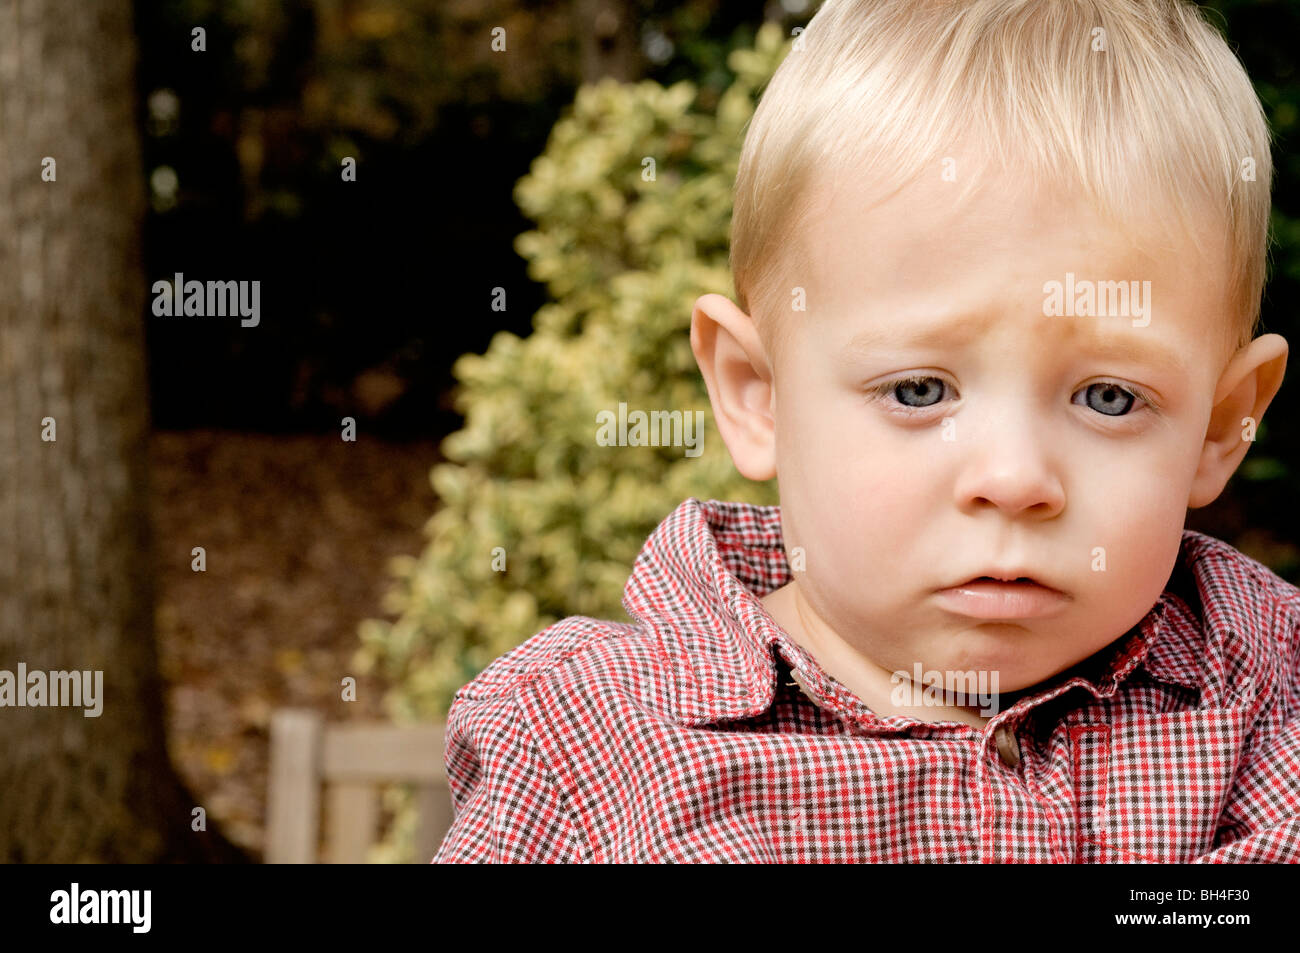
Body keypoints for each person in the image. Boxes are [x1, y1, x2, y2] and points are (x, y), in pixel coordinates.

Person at [433, 0, 1298, 862]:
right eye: (920, 388)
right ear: (758, 392)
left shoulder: (1263, 693)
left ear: (1222, 425)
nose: (1012, 476)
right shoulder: (588, 747)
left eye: (1109, 397)